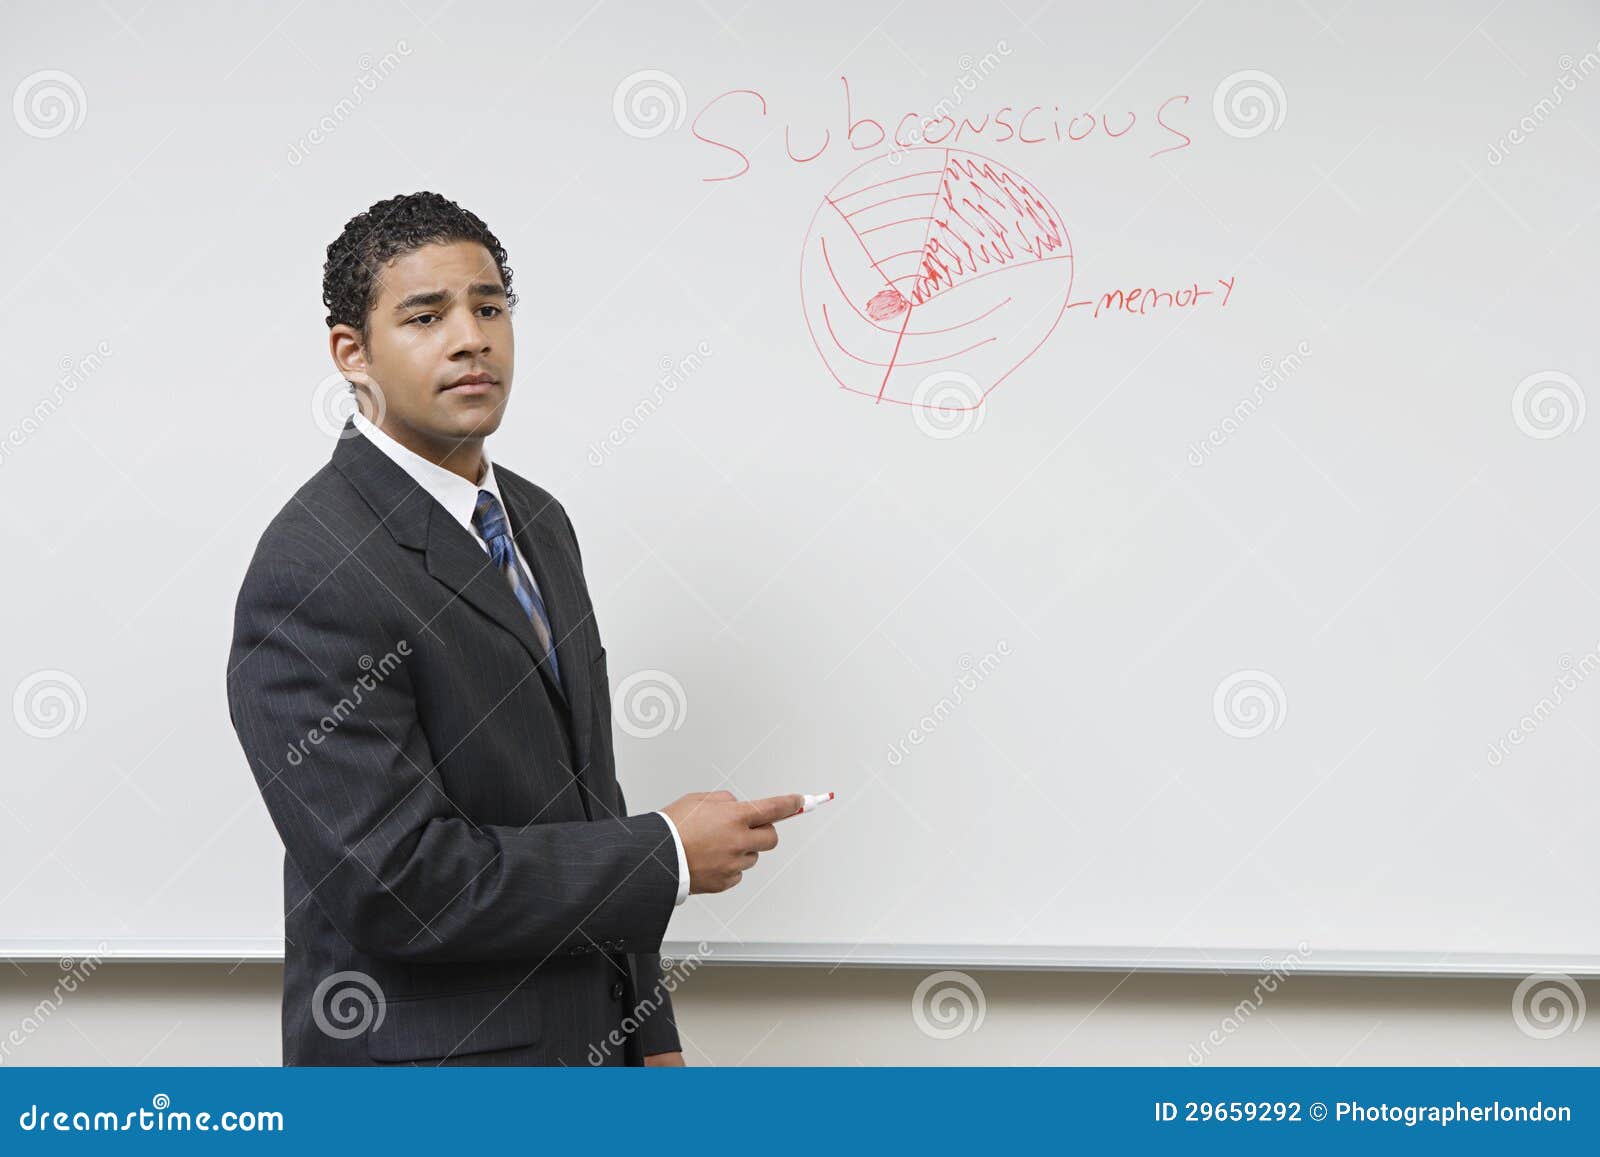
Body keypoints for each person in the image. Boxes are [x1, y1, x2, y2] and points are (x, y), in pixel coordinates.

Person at [226, 190, 801, 1066]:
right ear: (353, 353)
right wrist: (669, 853)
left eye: (489, 306)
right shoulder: (312, 567)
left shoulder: (536, 519)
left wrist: (650, 1036)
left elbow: (585, 803)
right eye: (426, 316)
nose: (472, 338)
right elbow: (398, 883)